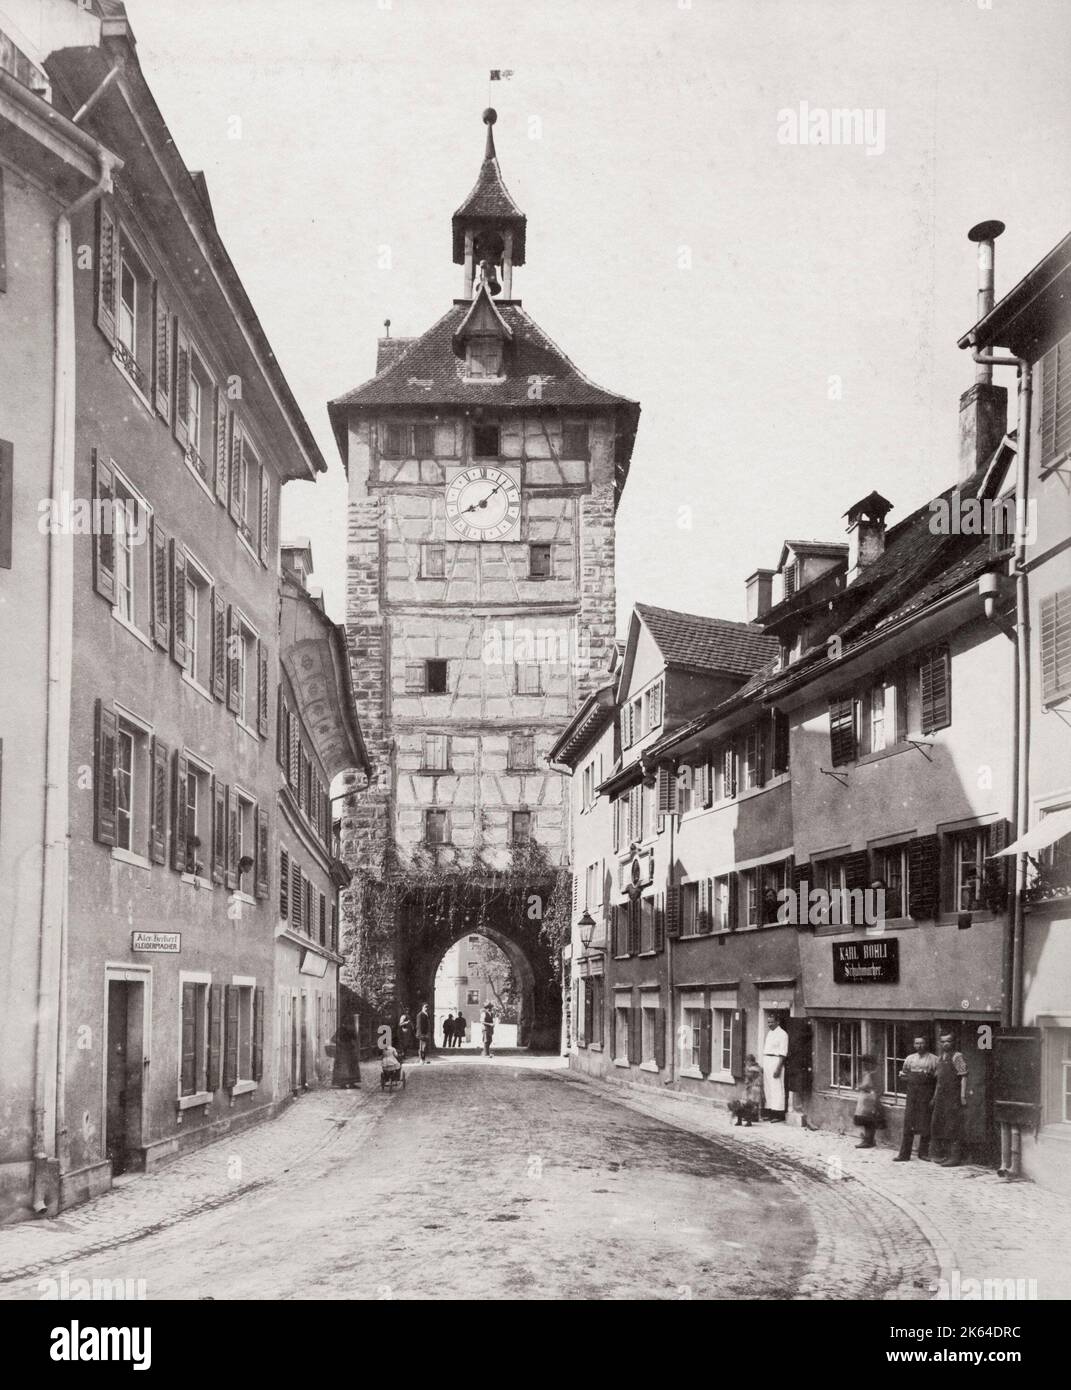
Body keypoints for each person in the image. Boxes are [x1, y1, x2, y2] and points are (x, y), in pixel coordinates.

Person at [893, 1036, 938, 1162]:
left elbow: (937, 1079)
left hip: (926, 1094)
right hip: (912, 1094)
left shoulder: (934, 1059)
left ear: (926, 1044)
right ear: (914, 1045)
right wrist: (906, 1077)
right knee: (909, 1123)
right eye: (917, 1043)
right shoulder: (909, 1059)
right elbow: (904, 1074)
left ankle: (923, 1153)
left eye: (922, 1043)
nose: (919, 1046)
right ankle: (904, 1154)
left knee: (925, 1122)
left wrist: (933, 1096)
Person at [931, 1031, 969, 1167]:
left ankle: (955, 1157)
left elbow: (964, 1076)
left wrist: (962, 1096)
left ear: (953, 1042)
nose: (945, 1044)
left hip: (953, 1096)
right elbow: (939, 1080)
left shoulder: (957, 1057)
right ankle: (945, 1155)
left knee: (953, 1126)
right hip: (941, 1097)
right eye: (942, 1041)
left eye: (948, 1041)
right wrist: (935, 1097)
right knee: (941, 1125)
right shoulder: (940, 1058)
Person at [762, 1014, 789, 1120]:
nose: (769, 1024)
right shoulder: (769, 1033)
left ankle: (778, 1113)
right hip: (767, 1060)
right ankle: (769, 1111)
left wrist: (778, 1068)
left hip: (776, 1060)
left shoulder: (783, 1034)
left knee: (776, 1087)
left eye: (772, 1022)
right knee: (768, 1087)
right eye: (768, 1022)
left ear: (778, 1022)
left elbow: (783, 1052)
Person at [854, 1053, 881, 1148]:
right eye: (863, 1063)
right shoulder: (868, 1073)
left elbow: (869, 1086)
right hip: (865, 1099)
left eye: (866, 1063)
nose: (864, 1065)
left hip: (870, 1099)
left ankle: (869, 1141)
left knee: (868, 1121)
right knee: (866, 1120)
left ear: (871, 1064)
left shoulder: (873, 1074)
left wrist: (860, 1087)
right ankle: (868, 1139)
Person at [736, 1054, 763, 1126]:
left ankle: (750, 1118)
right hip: (753, 1087)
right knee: (751, 1103)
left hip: (754, 1087)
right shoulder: (756, 1067)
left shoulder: (754, 1068)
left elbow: (749, 1076)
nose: (746, 1063)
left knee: (750, 1103)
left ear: (750, 1061)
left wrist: (746, 1070)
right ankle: (751, 1117)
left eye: (747, 1062)